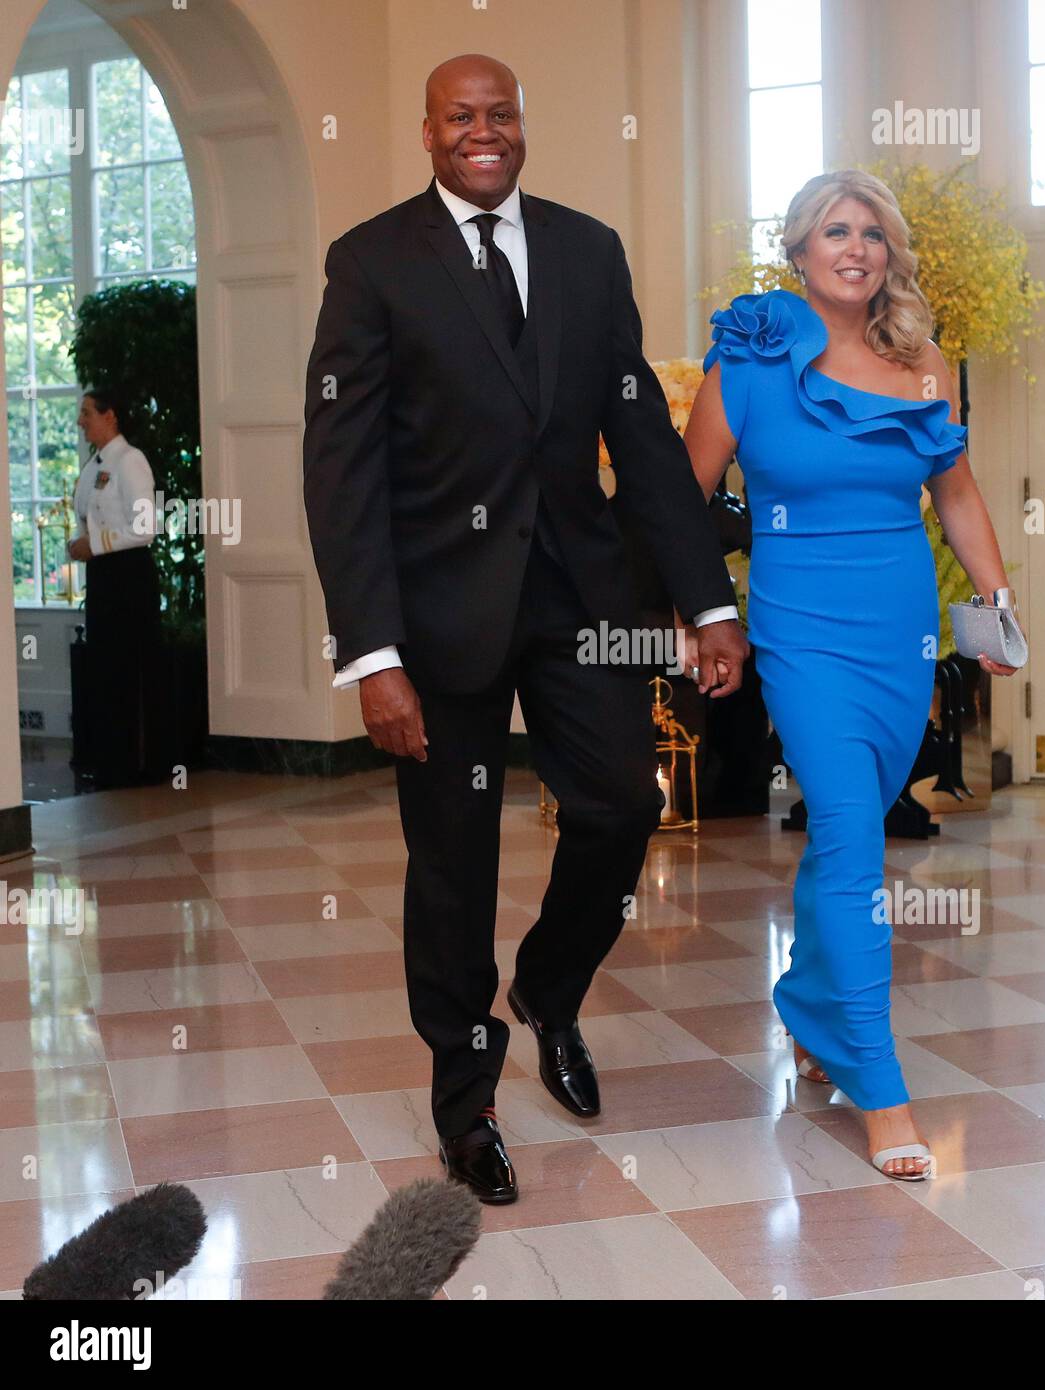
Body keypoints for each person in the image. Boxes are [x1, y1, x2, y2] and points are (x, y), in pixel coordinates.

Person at [302, 54, 748, 1204]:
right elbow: (339, 470)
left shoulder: (588, 250)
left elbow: (644, 442)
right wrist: (372, 653)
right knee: (451, 863)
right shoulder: (371, 260)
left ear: (520, 127)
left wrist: (707, 600)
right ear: (427, 132)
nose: (482, 132)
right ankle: (467, 1098)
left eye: (500, 114)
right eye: (461, 116)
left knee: (622, 803)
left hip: (575, 599)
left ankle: (548, 986)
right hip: (434, 618)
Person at [683, 170, 1024, 1180]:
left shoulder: (918, 362)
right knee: (845, 831)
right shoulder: (750, 352)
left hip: (897, 629)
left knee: (853, 820)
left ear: (887, 256)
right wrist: (702, 615)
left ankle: (805, 1006)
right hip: (797, 626)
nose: (855, 247)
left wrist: (994, 607)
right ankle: (878, 1088)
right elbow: (681, 493)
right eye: (835, 230)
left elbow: (954, 496)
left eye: (871, 234)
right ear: (796, 250)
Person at [70, 389, 162, 789]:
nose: (81, 421)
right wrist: (78, 543)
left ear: (111, 416)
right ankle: (110, 762)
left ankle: (138, 764)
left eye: (87, 413)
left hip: (129, 576)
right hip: (103, 578)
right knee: (105, 668)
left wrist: (99, 545)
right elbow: (84, 517)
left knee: (130, 668)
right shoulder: (94, 466)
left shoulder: (131, 462)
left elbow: (145, 529)